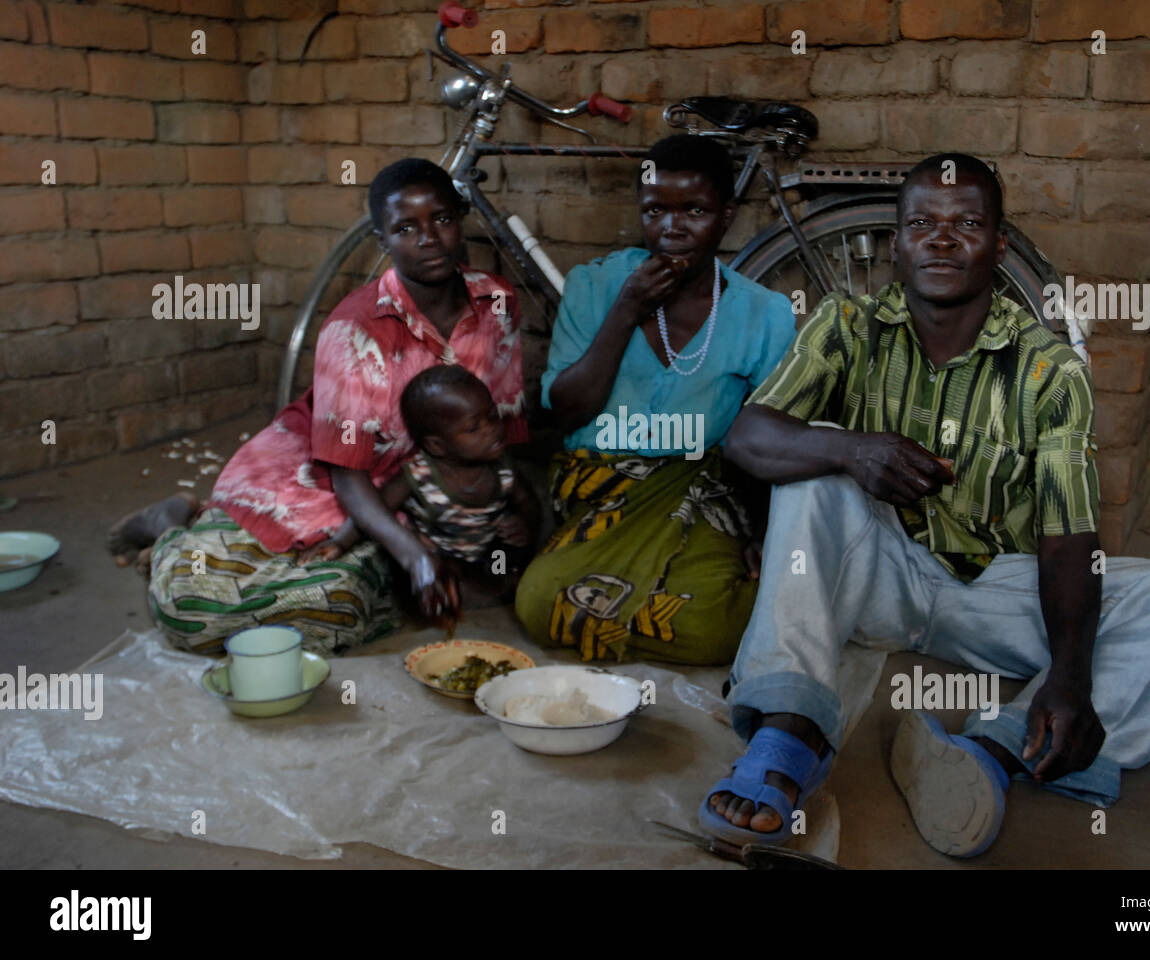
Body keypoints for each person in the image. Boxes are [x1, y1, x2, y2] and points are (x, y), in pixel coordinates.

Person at [699, 153, 1150, 856]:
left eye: (967, 224)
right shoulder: (845, 325)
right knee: (817, 449)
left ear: (998, 246)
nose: (942, 240)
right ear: (897, 245)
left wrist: (1070, 677)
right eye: (922, 223)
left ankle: (999, 751)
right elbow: (747, 436)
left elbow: (1069, 533)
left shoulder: (1049, 369)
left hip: (997, 592)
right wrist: (855, 451)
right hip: (875, 578)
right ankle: (790, 731)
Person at [109, 158, 527, 656]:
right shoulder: (354, 330)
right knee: (197, 612)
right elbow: (348, 475)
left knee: (341, 606)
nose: (428, 239)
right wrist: (414, 557)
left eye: (440, 219)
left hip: (418, 483)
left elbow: (502, 422)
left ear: (461, 217)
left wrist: (495, 514)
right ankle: (176, 532)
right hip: (322, 473)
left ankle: (219, 546)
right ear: (382, 240)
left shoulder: (496, 301)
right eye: (405, 228)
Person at [513, 135, 796, 665]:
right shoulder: (595, 287)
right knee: (535, 602)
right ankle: (655, 614)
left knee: (709, 625)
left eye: (695, 210)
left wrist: (764, 534)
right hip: (603, 495)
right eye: (655, 211)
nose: (673, 227)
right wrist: (626, 311)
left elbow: (769, 437)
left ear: (726, 214)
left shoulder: (764, 313)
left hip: (699, 489)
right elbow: (566, 411)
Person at [299, 364, 539, 615]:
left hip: (488, 552)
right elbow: (378, 508)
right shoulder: (419, 474)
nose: (491, 429)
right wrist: (340, 541)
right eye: (473, 428)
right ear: (437, 445)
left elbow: (528, 502)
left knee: (505, 557)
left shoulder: (504, 470)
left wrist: (523, 522)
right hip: (441, 555)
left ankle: (498, 584)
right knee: (423, 572)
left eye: (492, 416)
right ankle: (453, 593)